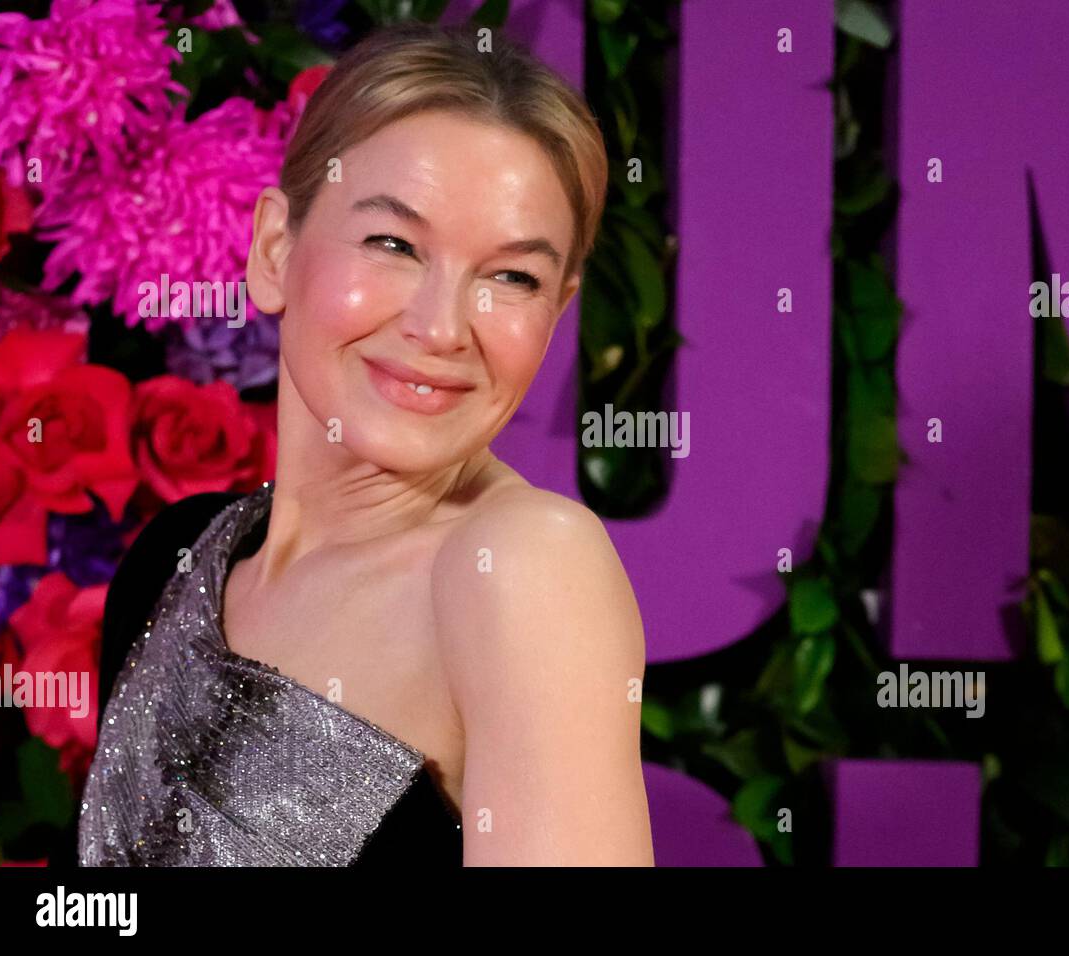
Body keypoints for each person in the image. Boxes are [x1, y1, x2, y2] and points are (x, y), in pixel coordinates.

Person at [70, 21, 653, 867]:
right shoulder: (178, 556)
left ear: (557, 313)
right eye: (393, 244)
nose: (441, 327)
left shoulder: (523, 567)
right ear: (275, 249)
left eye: (511, 277)